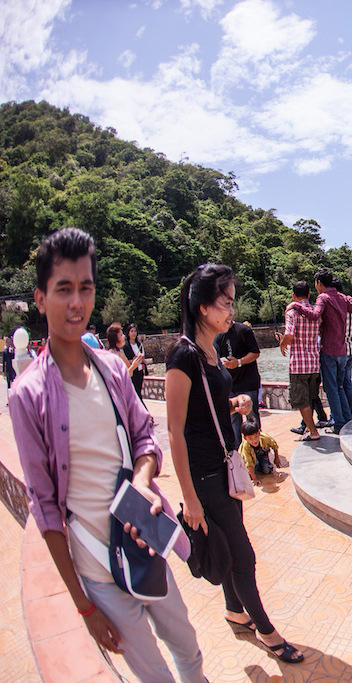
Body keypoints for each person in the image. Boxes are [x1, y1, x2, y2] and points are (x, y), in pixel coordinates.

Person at [10, 228, 205, 683]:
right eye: (63, 289)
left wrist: (142, 480)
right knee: (153, 674)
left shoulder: (112, 369)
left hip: (143, 543)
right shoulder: (29, 395)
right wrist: (83, 608)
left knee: (189, 648)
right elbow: (45, 509)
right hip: (97, 565)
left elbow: (144, 438)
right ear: (40, 299)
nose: (76, 302)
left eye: (86, 288)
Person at [165, 263, 304, 663]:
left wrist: (234, 403)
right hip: (205, 477)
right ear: (204, 308)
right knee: (243, 557)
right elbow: (175, 431)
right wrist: (189, 499)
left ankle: (234, 610)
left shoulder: (210, 350)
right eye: (226, 303)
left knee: (230, 546)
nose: (231, 310)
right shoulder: (182, 354)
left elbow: (201, 410)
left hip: (224, 467)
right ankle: (268, 632)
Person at [288, 270, 352, 433]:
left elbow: (314, 315)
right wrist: (348, 299)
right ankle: (347, 419)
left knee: (332, 389)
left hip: (329, 350)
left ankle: (339, 424)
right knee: (340, 386)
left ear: (319, 283)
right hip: (343, 351)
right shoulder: (342, 297)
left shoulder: (323, 297)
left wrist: (296, 305)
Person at [280, 281, 323, 441]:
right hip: (314, 362)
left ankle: (313, 432)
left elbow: (290, 334)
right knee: (310, 398)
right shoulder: (315, 312)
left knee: (301, 400)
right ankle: (311, 430)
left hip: (298, 364)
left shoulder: (292, 312)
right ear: (309, 294)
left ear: (293, 295)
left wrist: (283, 343)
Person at [214, 319, 262, 447]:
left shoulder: (243, 330)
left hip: (248, 382)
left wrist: (239, 362)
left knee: (252, 417)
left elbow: (255, 352)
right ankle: (238, 451)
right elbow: (215, 356)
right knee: (233, 419)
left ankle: (257, 449)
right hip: (230, 385)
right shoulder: (217, 334)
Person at [122, 323, 148, 402]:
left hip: (140, 371)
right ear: (128, 333)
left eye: (135, 331)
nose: (133, 333)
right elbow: (125, 360)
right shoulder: (125, 346)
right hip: (132, 371)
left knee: (139, 391)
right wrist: (132, 361)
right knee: (135, 392)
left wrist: (142, 359)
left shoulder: (139, 344)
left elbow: (143, 356)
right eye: (131, 331)